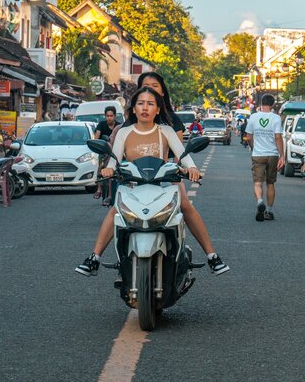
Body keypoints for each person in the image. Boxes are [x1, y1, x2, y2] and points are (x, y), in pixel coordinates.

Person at [76, 86, 229, 276]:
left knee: (185, 207)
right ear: (133, 109)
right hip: (132, 186)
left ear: (158, 109)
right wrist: (109, 168)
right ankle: (94, 258)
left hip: (162, 185)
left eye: (150, 104)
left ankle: (212, 256)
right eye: (140, 104)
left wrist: (192, 168)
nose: (145, 108)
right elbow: (114, 159)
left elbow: (182, 155)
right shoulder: (124, 132)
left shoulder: (166, 131)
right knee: (115, 210)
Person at [245, 95, 284, 221]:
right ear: (272, 105)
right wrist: (282, 155)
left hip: (258, 154)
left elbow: (248, 137)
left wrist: (253, 147)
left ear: (261, 103)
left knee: (257, 182)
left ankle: (260, 201)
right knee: (270, 183)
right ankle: (269, 211)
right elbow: (278, 137)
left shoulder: (254, 117)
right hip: (272, 155)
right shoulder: (276, 118)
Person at [93, 106, 120, 205]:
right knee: (100, 166)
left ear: (115, 116)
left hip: (115, 151)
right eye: (107, 116)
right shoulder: (101, 125)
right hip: (103, 151)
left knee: (112, 171)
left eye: (111, 116)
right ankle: (99, 189)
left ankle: (110, 195)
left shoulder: (119, 126)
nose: (109, 118)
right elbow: (96, 138)